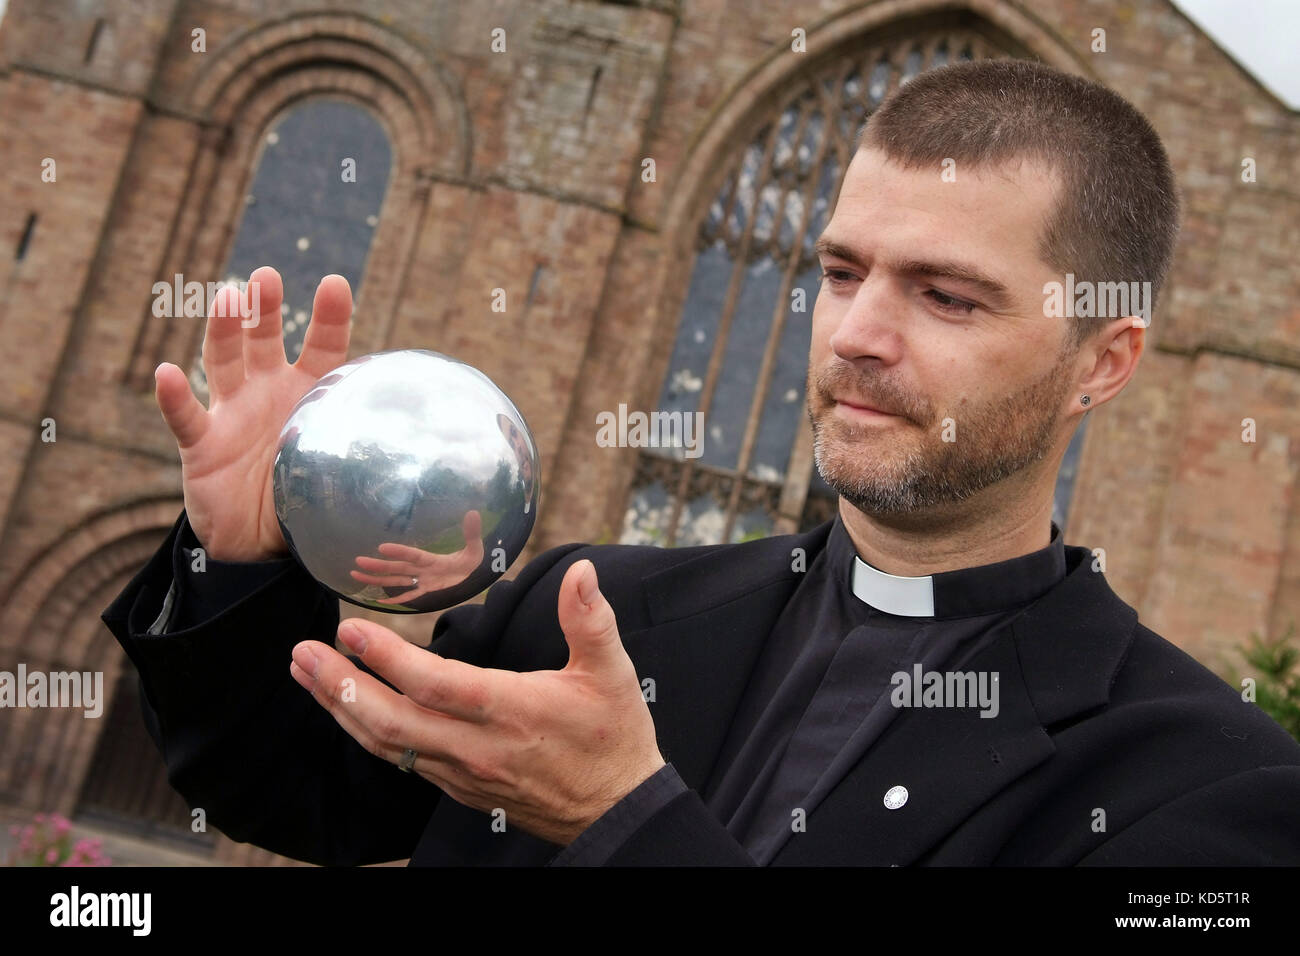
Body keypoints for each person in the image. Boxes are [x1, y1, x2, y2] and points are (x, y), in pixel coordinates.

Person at [103, 58, 1300, 866]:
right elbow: (285, 786)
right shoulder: (597, 613)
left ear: (1102, 359)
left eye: (947, 295)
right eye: (838, 272)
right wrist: (249, 549)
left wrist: (626, 823)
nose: (858, 335)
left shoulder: (1208, 784)